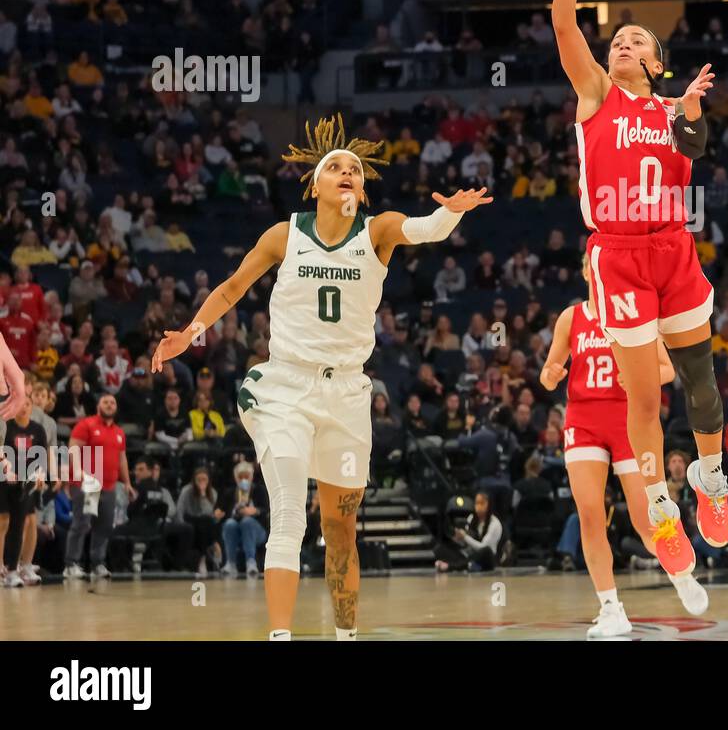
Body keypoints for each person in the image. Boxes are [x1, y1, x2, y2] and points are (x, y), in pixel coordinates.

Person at [151, 113, 492, 640]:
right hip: (286, 386)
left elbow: (422, 230)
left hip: (348, 394)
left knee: (341, 532)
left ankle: (346, 635)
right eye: (335, 166)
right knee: (289, 512)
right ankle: (281, 636)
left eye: (355, 168)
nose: (347, 172)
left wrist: (450, 214)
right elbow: (232, 288)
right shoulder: (285, 234)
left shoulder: (375, 232)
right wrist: (189, 332)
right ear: (315, 184)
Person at [552, 0, 728, 577]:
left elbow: (695, 143)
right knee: (643, 397)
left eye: (636, 43)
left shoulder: (673, 107)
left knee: (700, 381)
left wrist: (689, 112)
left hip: (673, 246)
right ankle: (660, 507)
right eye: (617, 41)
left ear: (656, 63)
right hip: (618, 253)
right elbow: (564, 23)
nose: (622, 46)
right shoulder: (597, 96)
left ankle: (709, 482)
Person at [540, 256, 707, 636]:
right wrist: (549, 375)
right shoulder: (571, 317)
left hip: (628, 420)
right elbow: (548, 375)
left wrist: (639, 378)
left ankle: (680, 574)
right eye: (590, 265)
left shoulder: (633, 310)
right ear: (586, 271)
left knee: (645, 518)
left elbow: (666, 369)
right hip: (582, 420)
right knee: (589, 515)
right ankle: (611, 607)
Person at [64, 393, 133, 579]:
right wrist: (78, 473)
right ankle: (71, 564)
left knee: (104, 526)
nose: (109, 405)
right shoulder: (86, 425)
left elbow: (122, 459)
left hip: (109, 486)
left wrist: (126, 482)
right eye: (106, 402)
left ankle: (98, 564)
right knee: (82, 524)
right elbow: (73, 448)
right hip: (88, 484)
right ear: (98, 406)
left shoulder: (119, 432)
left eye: (112, 402)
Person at [0, 382, 52, 586]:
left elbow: (41, 457)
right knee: (3, 521)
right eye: (20, 403)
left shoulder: (38, 429)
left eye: (27, 403)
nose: (23, 407)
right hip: (4, 480)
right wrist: (7, 470)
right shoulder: (6, 425)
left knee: (20, 524)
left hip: (24, 484)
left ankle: (14, 570)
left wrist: (40, 475)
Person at [219, 461, 270, 576]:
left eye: (246, 476)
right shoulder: (229, 493)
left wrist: (255, 511)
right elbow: (222, 512)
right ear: (235, 478)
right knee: (229, 524)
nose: (243, 480)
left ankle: (251, 562)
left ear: (251, 477)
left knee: (247, 522)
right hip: (235, 528)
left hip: (257, 530)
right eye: (240, 477)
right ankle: (230, 563)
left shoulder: (260, 490)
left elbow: (266, 510)